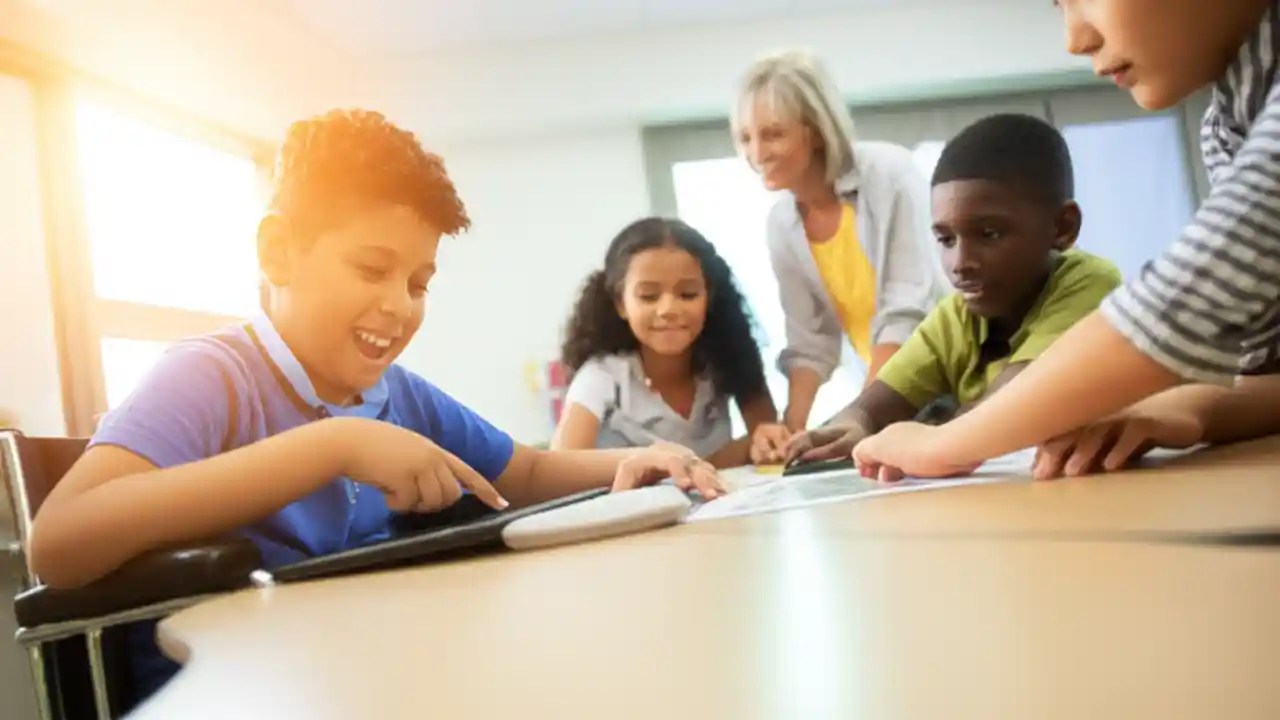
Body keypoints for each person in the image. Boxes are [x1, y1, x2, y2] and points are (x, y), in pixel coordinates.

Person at [28, 109, 719, 705]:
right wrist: (334, 446)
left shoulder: (403, 395)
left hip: (351, 671)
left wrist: (640, 458)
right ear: (278, 251)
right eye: (371, 269)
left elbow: (529, 472)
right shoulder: (210, 376)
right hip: (232, 691)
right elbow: (58, 544)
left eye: (419, 282)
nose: (399, 304)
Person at [852, 0, 1280, 482]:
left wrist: (948, 442)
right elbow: (1268, 381)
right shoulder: (1228, 128)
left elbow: (1185, 306)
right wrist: (1185, 410)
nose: (1074, 39)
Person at [786, 115, 1120, 464]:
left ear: (1063, 227)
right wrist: (852, 426)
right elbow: (870, 408)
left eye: (989, 234)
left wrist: (924, 437)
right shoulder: (957, 314)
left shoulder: (1090, 283)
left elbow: (1009, 406)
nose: (960, 263)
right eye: (946, 239)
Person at [732, 50, 950, 460]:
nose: (756, 153)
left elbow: (905, 312)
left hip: (955, 380)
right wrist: (790, 431)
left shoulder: (890, 175)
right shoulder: (782, 223)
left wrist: (861, 415)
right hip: (892, 396)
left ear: (814, 129)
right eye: (746, 137)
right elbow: (810, 340)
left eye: (773, 134)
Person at [553, 217, 786, 467]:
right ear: (621, 304)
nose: (668, 309)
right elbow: (560, 467)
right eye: (649, 296)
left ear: (709, 298)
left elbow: (768, 440)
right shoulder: (602, 377)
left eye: (687, 294)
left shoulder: (726, 360)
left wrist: (764, 442)